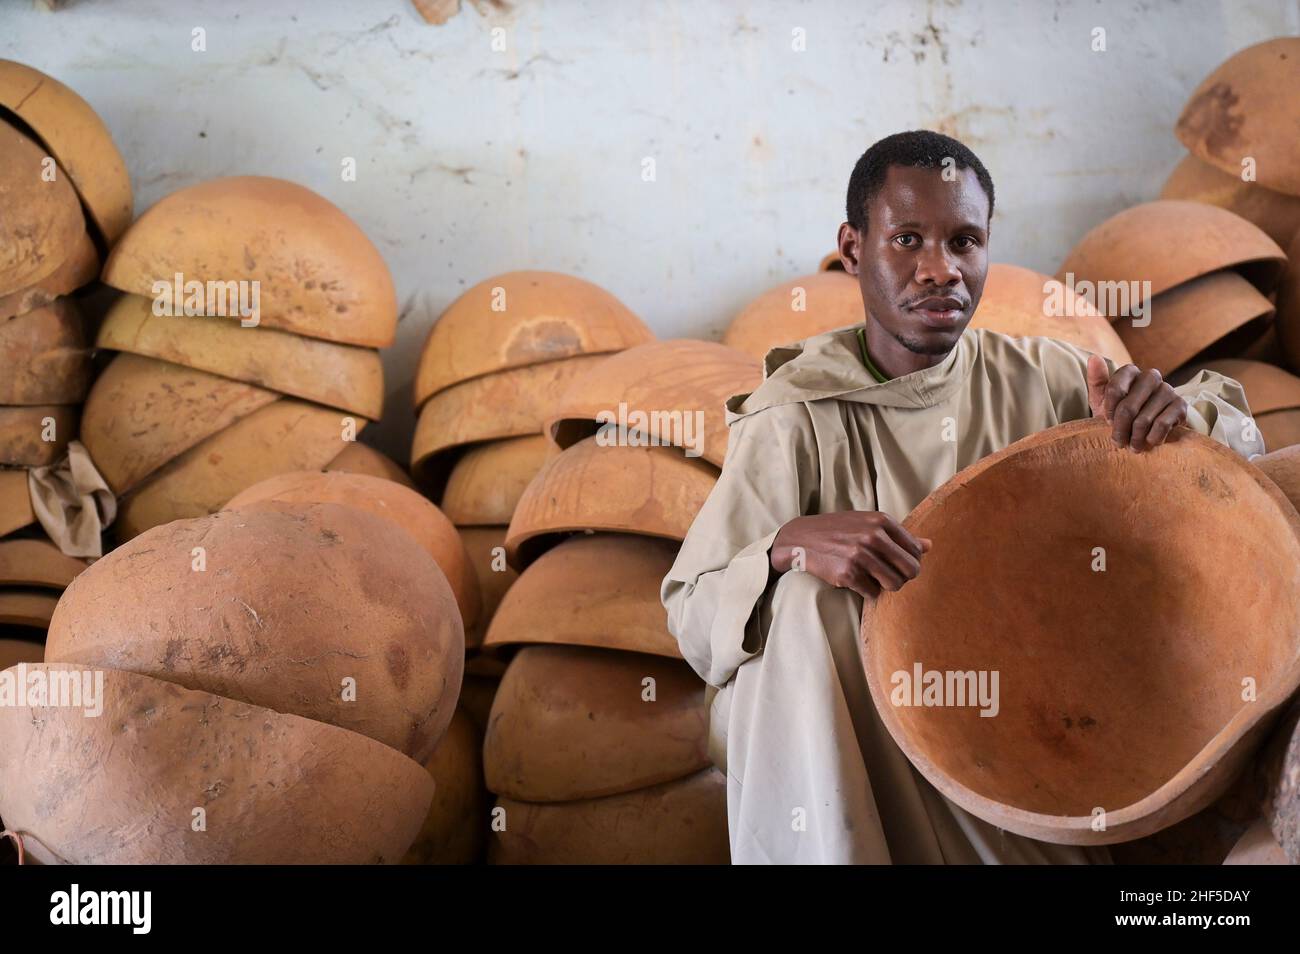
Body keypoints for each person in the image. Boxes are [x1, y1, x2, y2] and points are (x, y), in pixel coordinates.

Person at [661, 130, 1265, 864]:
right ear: (853, 250)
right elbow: (694, 612)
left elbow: (1227, 440)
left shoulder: (1044, 377)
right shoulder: (796, 413)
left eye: (964, 242)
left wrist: (1166, 412)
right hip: (850, 732)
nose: (939, 270)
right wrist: (785, 546)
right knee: (808, 605)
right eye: (908, 240)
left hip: (1020, 713)